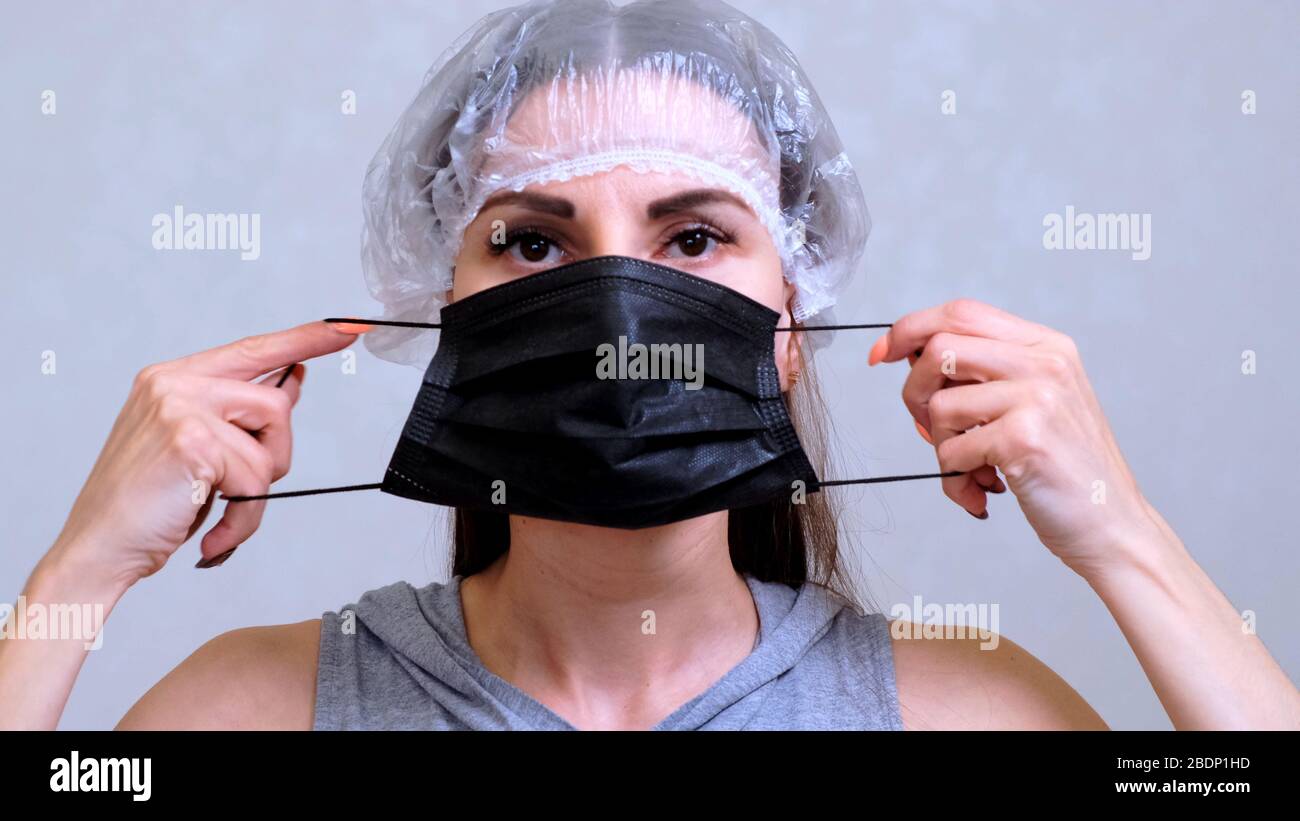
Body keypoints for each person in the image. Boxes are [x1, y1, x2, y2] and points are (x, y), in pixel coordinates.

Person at [2, 0, 1296, 730]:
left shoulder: (974, 712)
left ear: (790, 320)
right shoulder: (257, 710)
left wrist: (1125, 537)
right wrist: (77, 573)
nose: (619, 303)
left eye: (693, 234)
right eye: (532, 240)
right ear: (439, 307)